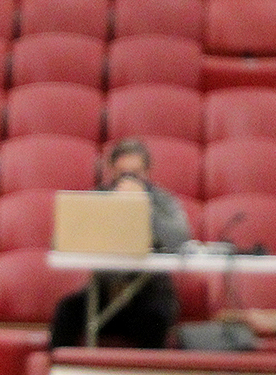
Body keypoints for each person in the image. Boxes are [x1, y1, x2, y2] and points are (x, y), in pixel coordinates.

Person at [48, 139, 193, 349]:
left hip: (149, 292)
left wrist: (143, 207)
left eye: (135, 172)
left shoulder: (162, 201)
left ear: (147, 172)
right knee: (67, 311)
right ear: (112, 171)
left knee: (157, 318)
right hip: (105, 292)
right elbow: (61, 241)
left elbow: (180, 240)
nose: (129, 178)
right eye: (123, 173)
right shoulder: (98, 198)